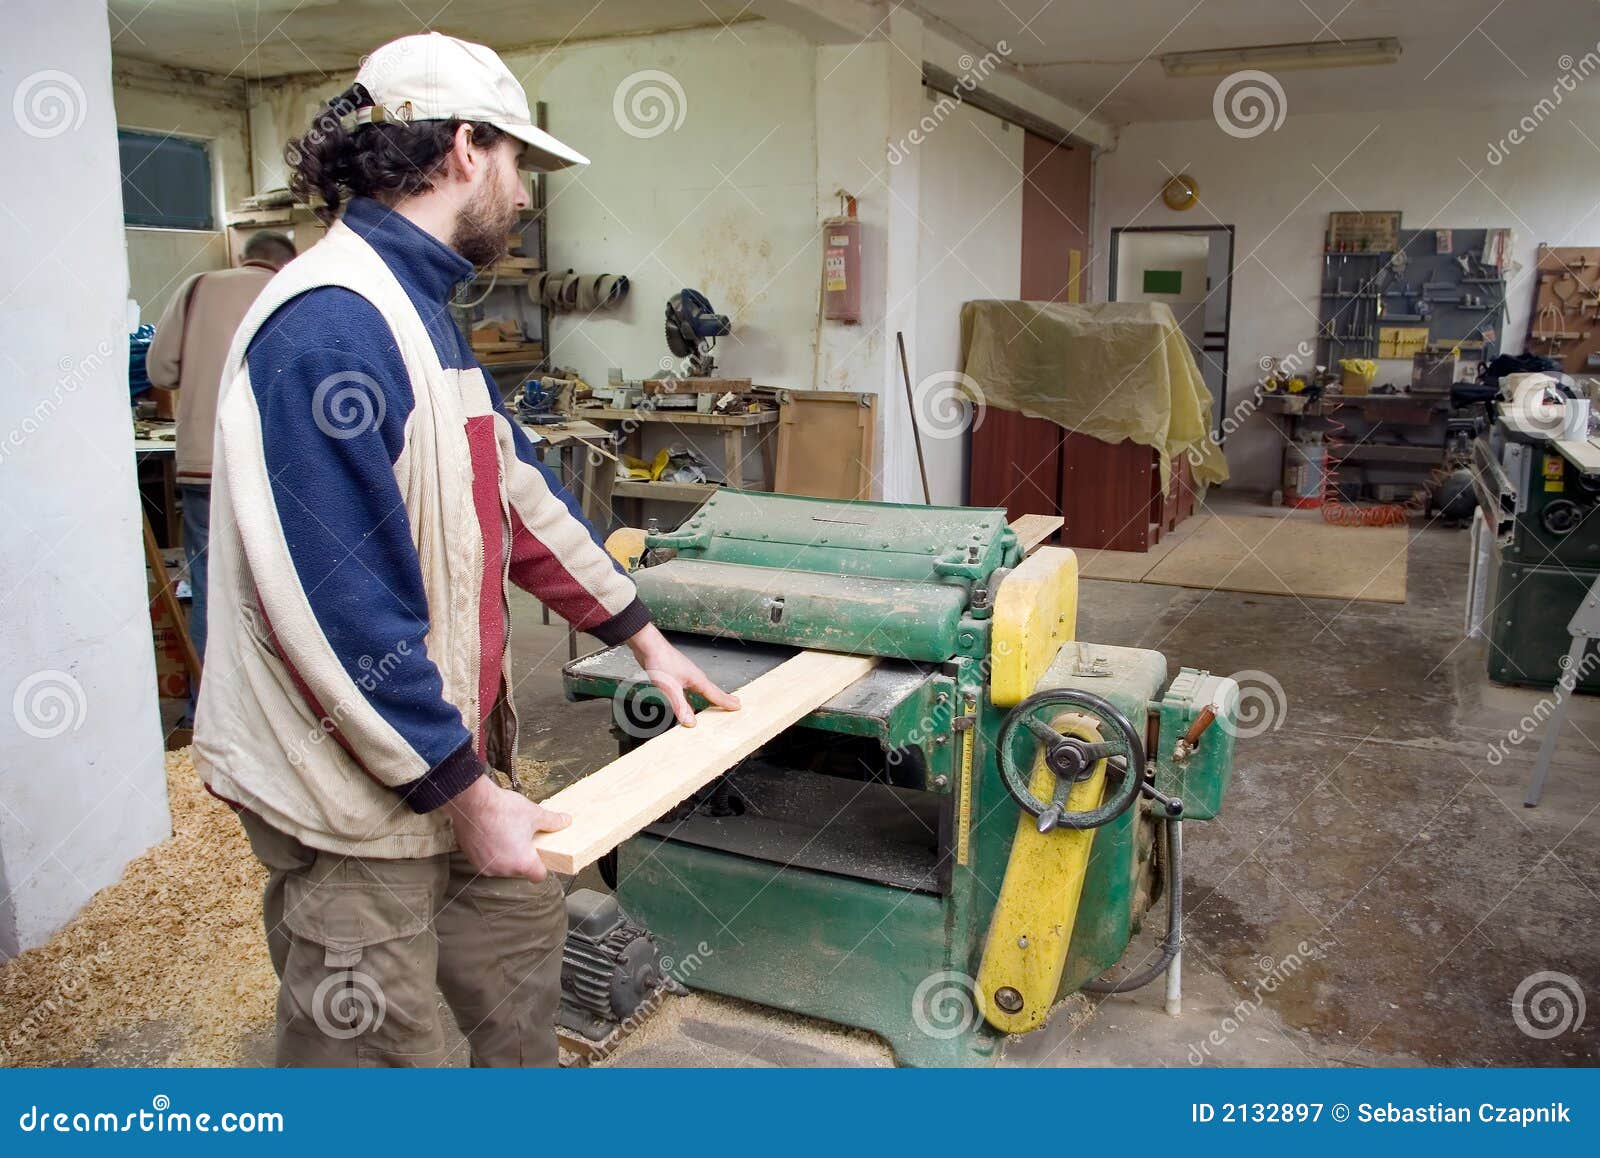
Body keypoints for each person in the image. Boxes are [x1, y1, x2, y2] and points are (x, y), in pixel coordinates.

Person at [191, 31, 737, 1067]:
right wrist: (462, 792)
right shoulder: (330, 327)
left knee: (513, 991)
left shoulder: (422, 312)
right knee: (378, 1061)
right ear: (461, 149)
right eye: (517, 162)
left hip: (453, 756)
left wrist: (638, 634)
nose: (524, 196)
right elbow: (335, 611)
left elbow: (515, 499)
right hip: (355, 800)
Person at [147, 230, 296, 723]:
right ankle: (280, 720)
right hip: (275, 468)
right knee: (285, 589)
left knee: (213, 590)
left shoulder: (198, 287)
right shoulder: (295, 290)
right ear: (285, 262)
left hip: (203, 464)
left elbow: (160, 369)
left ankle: (208, 717)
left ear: (243, 256)